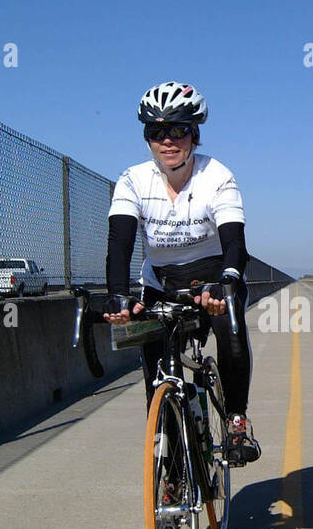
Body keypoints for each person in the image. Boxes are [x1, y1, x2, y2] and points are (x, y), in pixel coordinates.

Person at [104, 81, 261, 465]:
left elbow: (235, 242)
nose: (168, 140)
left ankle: (237, 418)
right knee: (155, 365)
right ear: (147, 137)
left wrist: (227, 281)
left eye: (178, 130)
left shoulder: (217, 175)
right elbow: (119, 242)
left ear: (195, 134)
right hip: (161, 282)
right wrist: (117, 295)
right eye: (157, 132)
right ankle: (168, 463)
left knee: (231, 325)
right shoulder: (133, 180)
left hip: (213, 275)